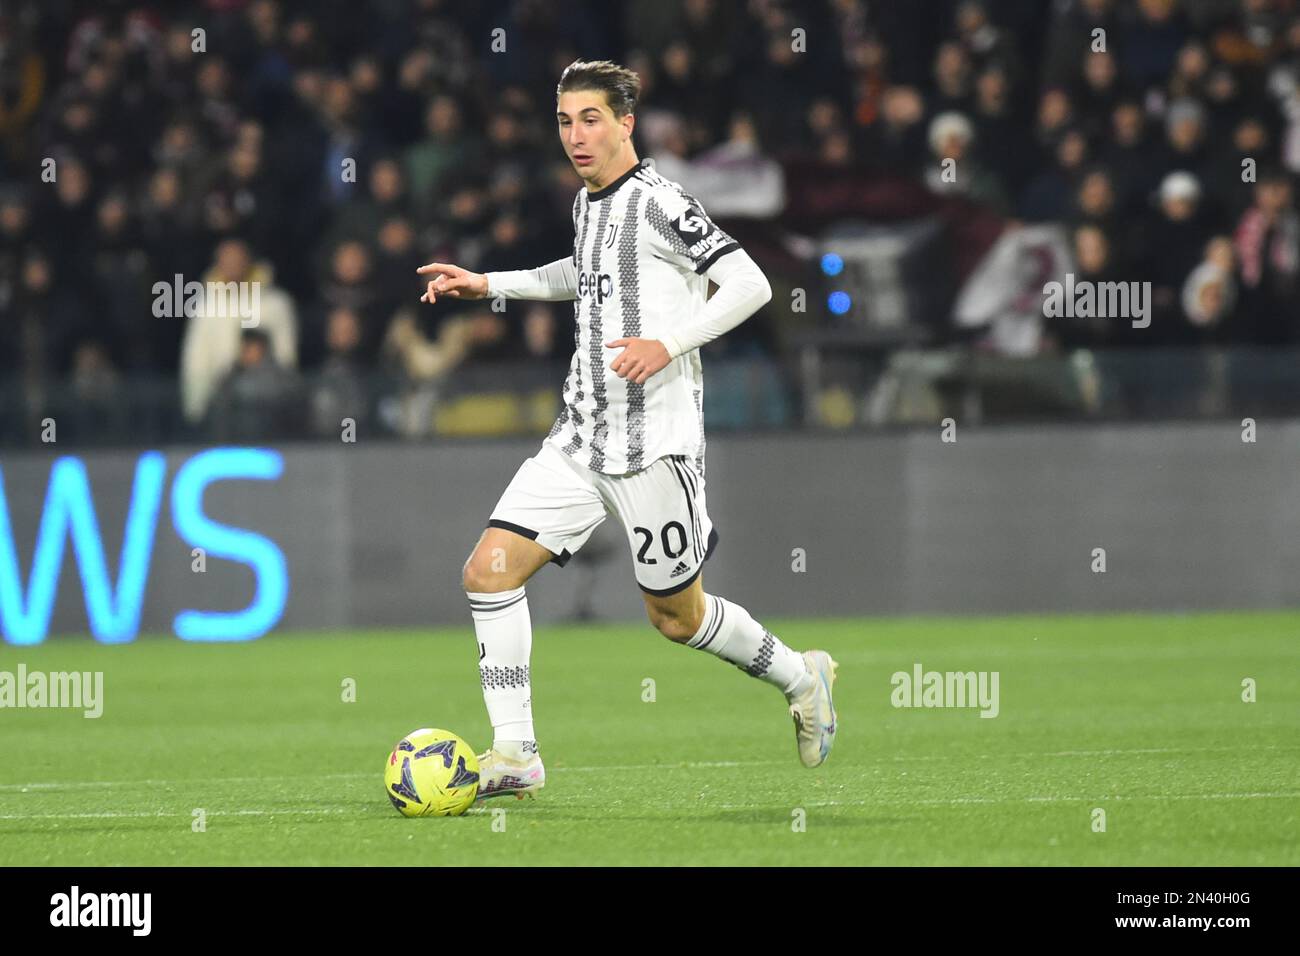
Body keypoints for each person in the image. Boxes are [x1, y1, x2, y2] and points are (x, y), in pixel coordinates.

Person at [416, 60, 838, 801]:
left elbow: (750, 282)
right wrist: (490, 285)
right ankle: (515, 753)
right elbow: (582, 273)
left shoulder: (660, 202)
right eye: (564, 121)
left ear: (625, 124)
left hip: (655, 446)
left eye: (590, 119)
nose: (576, 136)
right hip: (581, 436)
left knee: (677, 619)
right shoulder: (588, 205)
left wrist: (670, 344)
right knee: (488, 573)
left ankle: (803, 676)